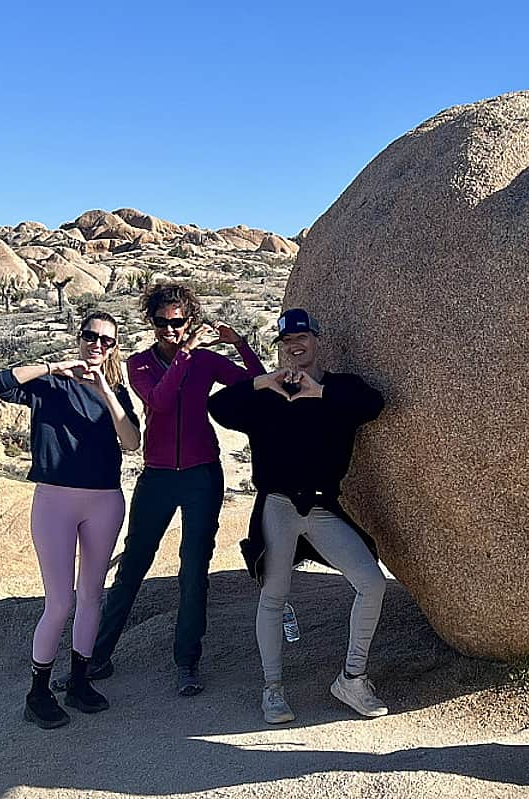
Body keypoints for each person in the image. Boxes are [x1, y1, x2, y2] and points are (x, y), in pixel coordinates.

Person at [83, 282, 265, 697]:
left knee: (194, 569)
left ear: (190, 321)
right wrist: (185, 355)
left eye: (179, 322)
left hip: (202, 473)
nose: (171, 329)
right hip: (158, 475)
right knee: (133, 566)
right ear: (151, 321)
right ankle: (99, 657)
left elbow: (256, 382)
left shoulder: (204, 360)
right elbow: (160, 404)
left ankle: (187, 662)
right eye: (163, 322)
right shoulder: (139, 364)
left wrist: (238, 343)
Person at [207, 309, 388, 723]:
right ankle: (272, 690)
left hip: (323, 507)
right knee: (274, 595)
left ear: (315, 339)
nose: (294, 344)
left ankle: (352, 679)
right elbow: (218, 406)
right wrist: (261, 381)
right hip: (278, 505)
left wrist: (317, 393)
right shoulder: (268, 397)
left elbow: (373, 404)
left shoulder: (339, 389)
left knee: (372, 584)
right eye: (287, 340)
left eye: (301, 336)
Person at [0, 312, 141, 728]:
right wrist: (55, 367)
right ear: (79, 338)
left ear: (114, 347)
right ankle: (37, 691)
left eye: (107, 341)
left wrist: (105, 388)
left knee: (92, 594)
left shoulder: (116, 393)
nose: (97, 345)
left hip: (104, 501)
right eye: (91, 336)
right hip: (54, 499)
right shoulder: (49, 385)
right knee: (60, 600)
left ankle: (79, 680)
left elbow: (132, 442)